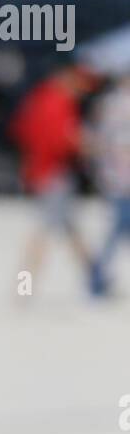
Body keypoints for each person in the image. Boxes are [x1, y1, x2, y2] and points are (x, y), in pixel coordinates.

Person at [8, 66, 96, 293]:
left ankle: (97, 281)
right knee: (43, 235)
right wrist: (84, 145)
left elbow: (19, 129)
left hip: (39, 171)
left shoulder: (38, 97)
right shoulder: (59, 102)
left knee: (70, 229)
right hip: (53, 174)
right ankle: (24, 288)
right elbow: (61, 140)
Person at [85, 73, 130, 295]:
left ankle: (97, 279)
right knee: (117, 230)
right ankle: (97, 280)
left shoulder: (107, 104)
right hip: (120, 180)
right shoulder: (118, 105)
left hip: (113, 178)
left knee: (117, 230)